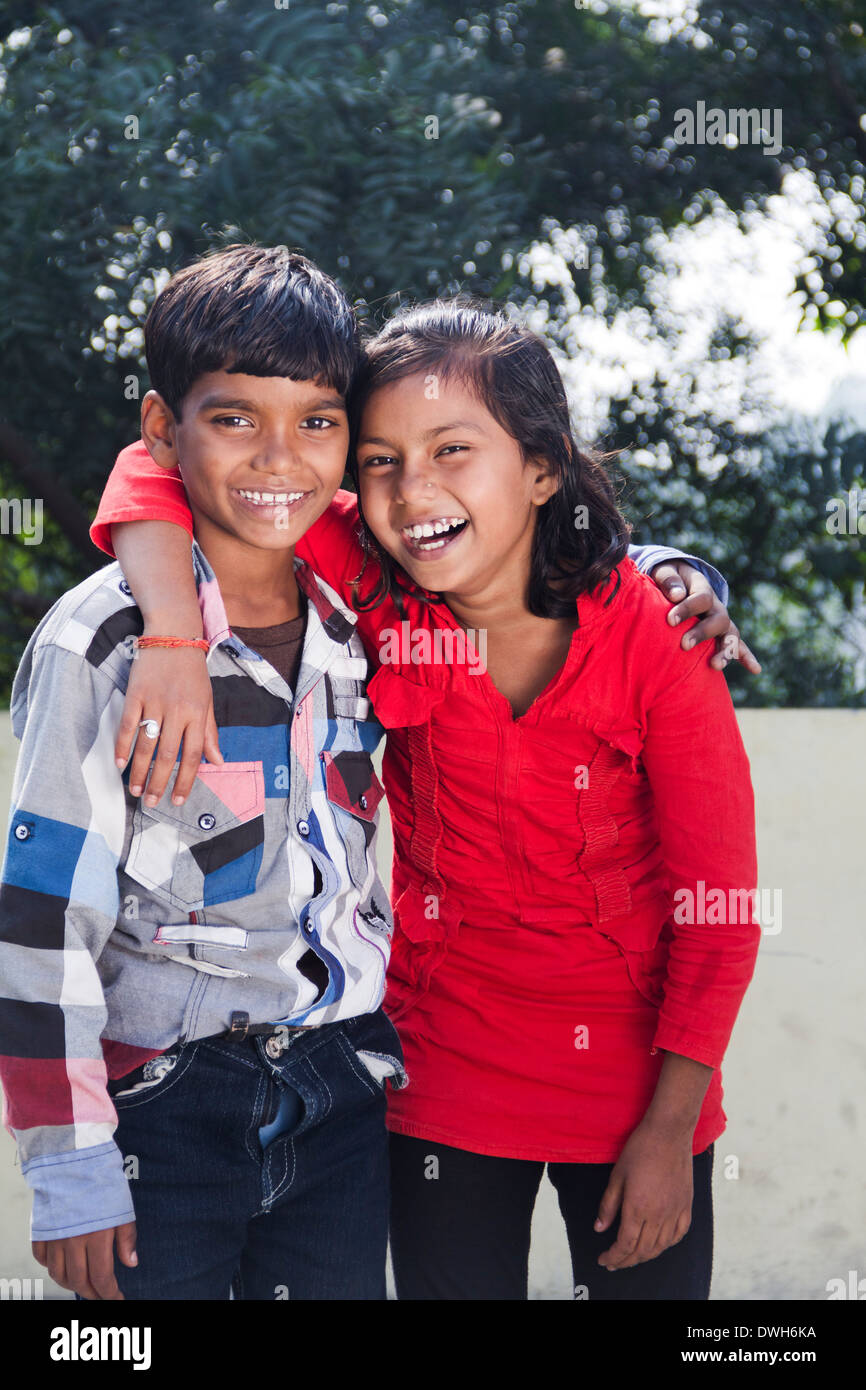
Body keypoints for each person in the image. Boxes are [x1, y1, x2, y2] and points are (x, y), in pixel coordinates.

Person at [89, 295, 760, 1301]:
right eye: (380, 460)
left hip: (638, 1085)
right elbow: (158, 465)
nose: (412, 491)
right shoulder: (372, 579)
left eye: (453, 450)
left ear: (540, 469)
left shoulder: (656, 634)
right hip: (443, 1075)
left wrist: (669, 1128)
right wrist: (177, 636)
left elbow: (720, 915)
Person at [0, 244, 408, 1302]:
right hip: (161, 1108)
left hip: (337, 1095)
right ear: (159, 429)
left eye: (316, 421)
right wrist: (73, 1164)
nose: (280, 458)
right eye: (234, 418)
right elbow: (41, 921)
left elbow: (513, 554)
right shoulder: (103, 644)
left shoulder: (355, 625)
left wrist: (668, 575)